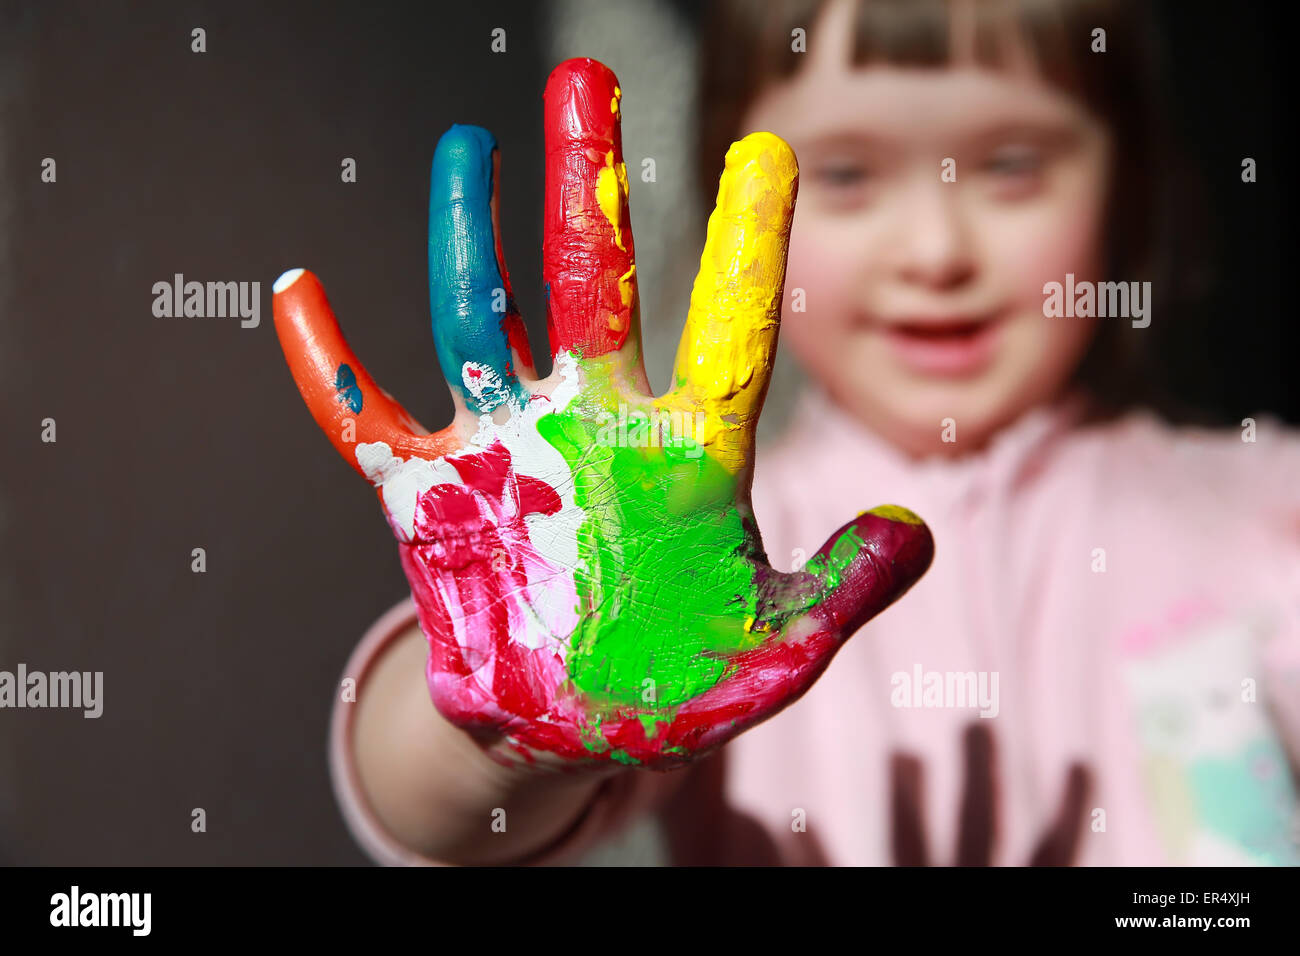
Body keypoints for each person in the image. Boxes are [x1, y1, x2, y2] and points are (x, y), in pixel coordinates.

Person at [282, 0, 1300, 865]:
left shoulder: (1269, 506)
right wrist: (502, 729)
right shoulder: (673, 534)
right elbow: (428, 810)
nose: (935, 248)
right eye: (849, 177)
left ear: (1125, 185)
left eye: (1011, 166)